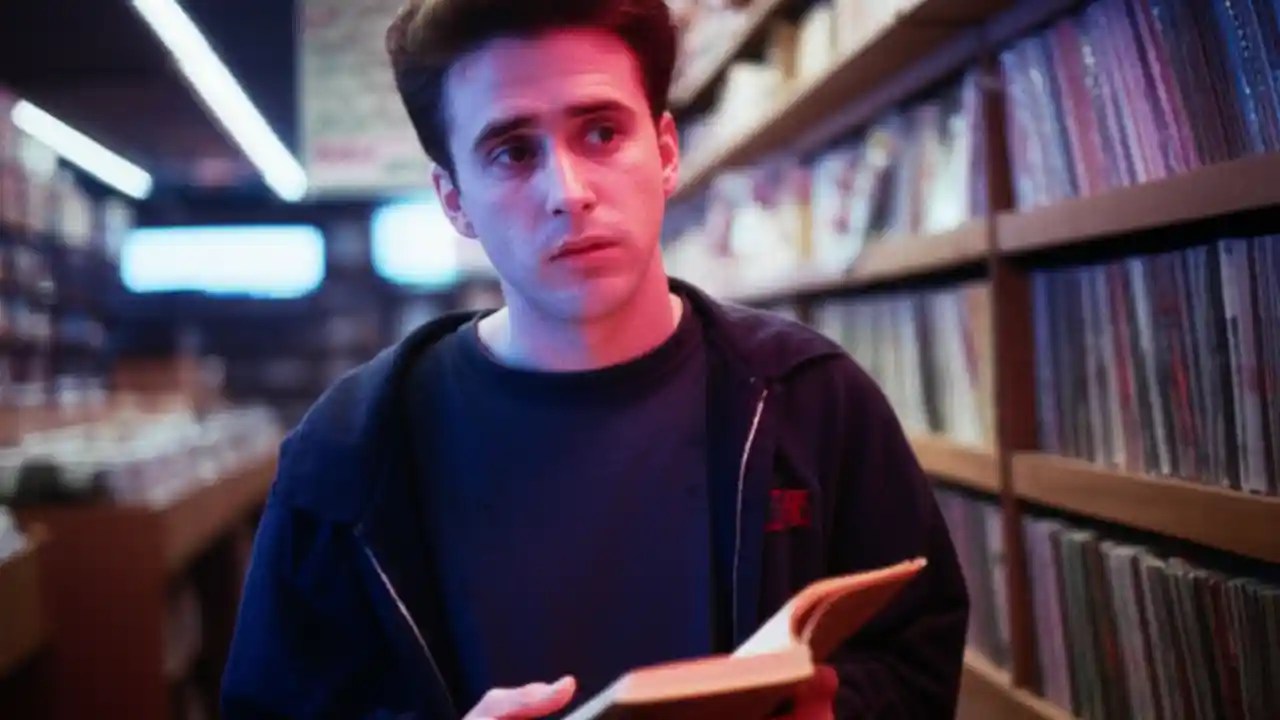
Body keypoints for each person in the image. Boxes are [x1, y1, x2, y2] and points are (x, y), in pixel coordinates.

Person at [221, 0, 970, 718]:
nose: (568, 192)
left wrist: (834, 711)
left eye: (602, 133)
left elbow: (917, 652)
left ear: (666, 151)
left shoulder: (813, 399)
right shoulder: (347, 454)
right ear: (454, 201)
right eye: (513, 151)